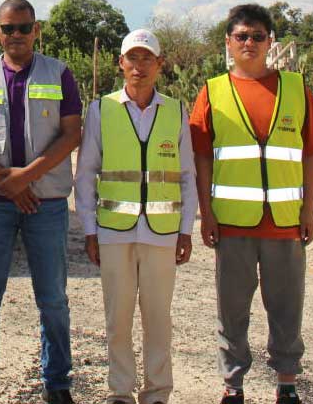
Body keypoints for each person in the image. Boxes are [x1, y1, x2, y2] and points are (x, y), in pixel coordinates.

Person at [189, 4, 313, 404]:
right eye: (241, 37)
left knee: (286, 306)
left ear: (270, 42)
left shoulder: (294, 88)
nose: (249, 43)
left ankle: (286, 383)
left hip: (285, 224)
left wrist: (309, 210)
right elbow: (201, 156)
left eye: (257, 36)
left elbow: (311, 153)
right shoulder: (213, 91)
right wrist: (207, 213)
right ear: (228, 43)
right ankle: (232, 385)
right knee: (231, 309)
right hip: (232, 225)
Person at [0, 0, 83, 404]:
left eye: (23, 28)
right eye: (8, 28)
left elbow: (71, 134)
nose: (16, 36)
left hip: (45, 202)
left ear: (36, 29)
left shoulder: (59, 73)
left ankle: (57, 384)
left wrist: (26, 178)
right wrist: (2, 179)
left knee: (53, 300)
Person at [74, 29, 197, 404]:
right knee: (118, 320)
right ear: (120, 63)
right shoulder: (101, 109)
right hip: (114, 233)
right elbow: (86, 174)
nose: (139, 66)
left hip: (161, 233)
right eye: (132, 58)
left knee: (158, 319)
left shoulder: (175, 110)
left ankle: (158, 393)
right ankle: (121, 393)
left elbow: (187, 175)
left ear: (160, 65)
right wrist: (90, 231)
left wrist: (186, 230)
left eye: (147, 59)